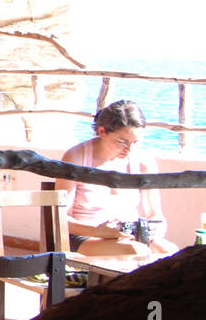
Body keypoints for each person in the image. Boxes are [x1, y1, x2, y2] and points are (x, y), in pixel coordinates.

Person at [55, 100, 178, 258]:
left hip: (130, 235)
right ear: (102, 131)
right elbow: (59, 217)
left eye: (136, 142)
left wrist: (152, 231)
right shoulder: (77, 157)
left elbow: (155, 213)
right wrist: (99, 231)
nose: (129, 149)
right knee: (135, 252)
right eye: (122, 141)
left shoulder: (143, 162)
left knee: (171, 253)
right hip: (86, 235)